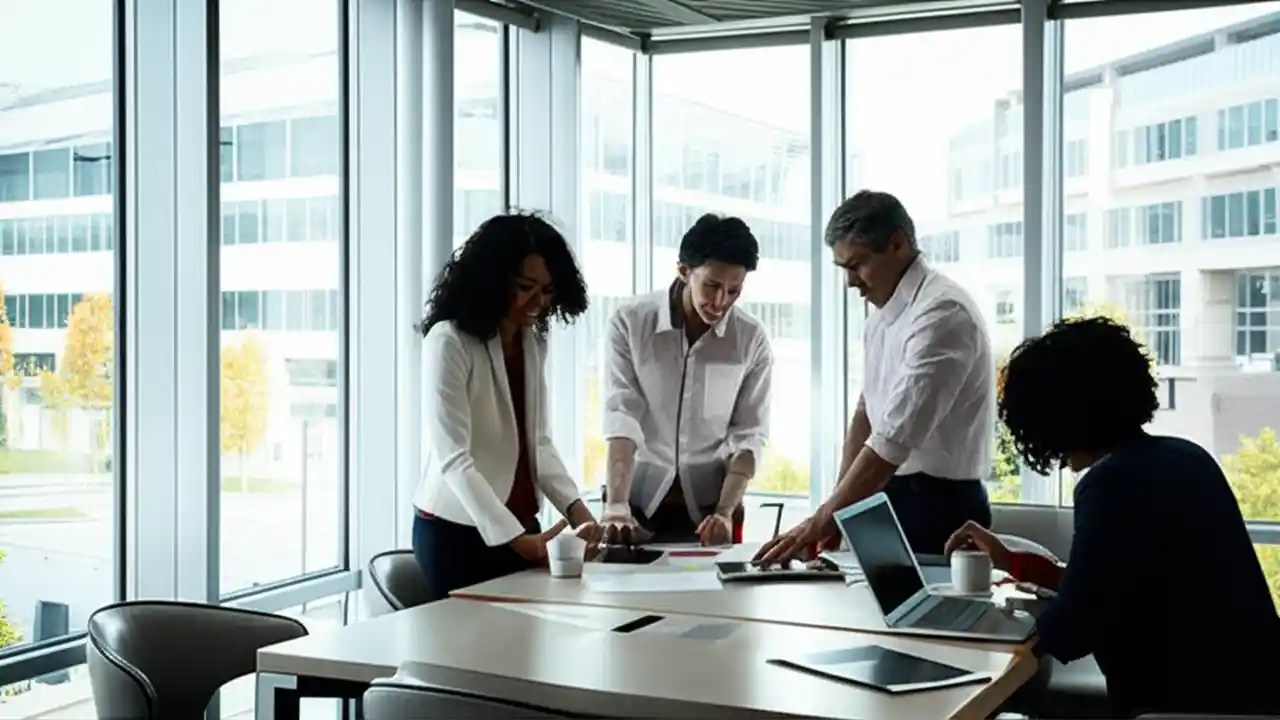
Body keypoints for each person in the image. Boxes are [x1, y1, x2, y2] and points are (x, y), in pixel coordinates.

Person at [945, 316, 1280, 718]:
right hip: (1249, 696)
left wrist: (973, 626)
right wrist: (1011, 561)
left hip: (1181, 708)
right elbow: (1111, 587)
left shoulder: (1113, 483)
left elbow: (1070, 631)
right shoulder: (1184, 456)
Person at [755, 190, 994, 564]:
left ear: (896, 243)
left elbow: (892, 439)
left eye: (858, 264)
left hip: (940, 509)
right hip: (887, 495)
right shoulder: (881, 319)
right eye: (844, 269)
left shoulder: (943, 312)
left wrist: (822, 519)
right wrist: (838, 507)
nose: (851, 282)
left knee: (930, 622)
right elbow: (868, 412)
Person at [413, 213, 604, 602]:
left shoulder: (531, 341)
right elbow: (454, 459)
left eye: (548, 290)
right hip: (456, 530)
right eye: (525, 287)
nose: (538, 303)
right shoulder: (449, 341)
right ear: (491, 281)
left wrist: (578, 511)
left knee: (524, 649)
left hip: (521, 525)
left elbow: (539, 443)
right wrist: (517, 540)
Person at [601, 213, 772, 547]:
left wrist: (724, 511)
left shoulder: (750, 339)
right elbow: (622, 416)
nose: (721, 301)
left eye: (733, 291)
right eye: (712, 286)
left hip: (713, 511)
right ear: (684, 271)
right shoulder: (631, 323)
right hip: (633, 505)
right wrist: (617, 507)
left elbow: (749, 434)